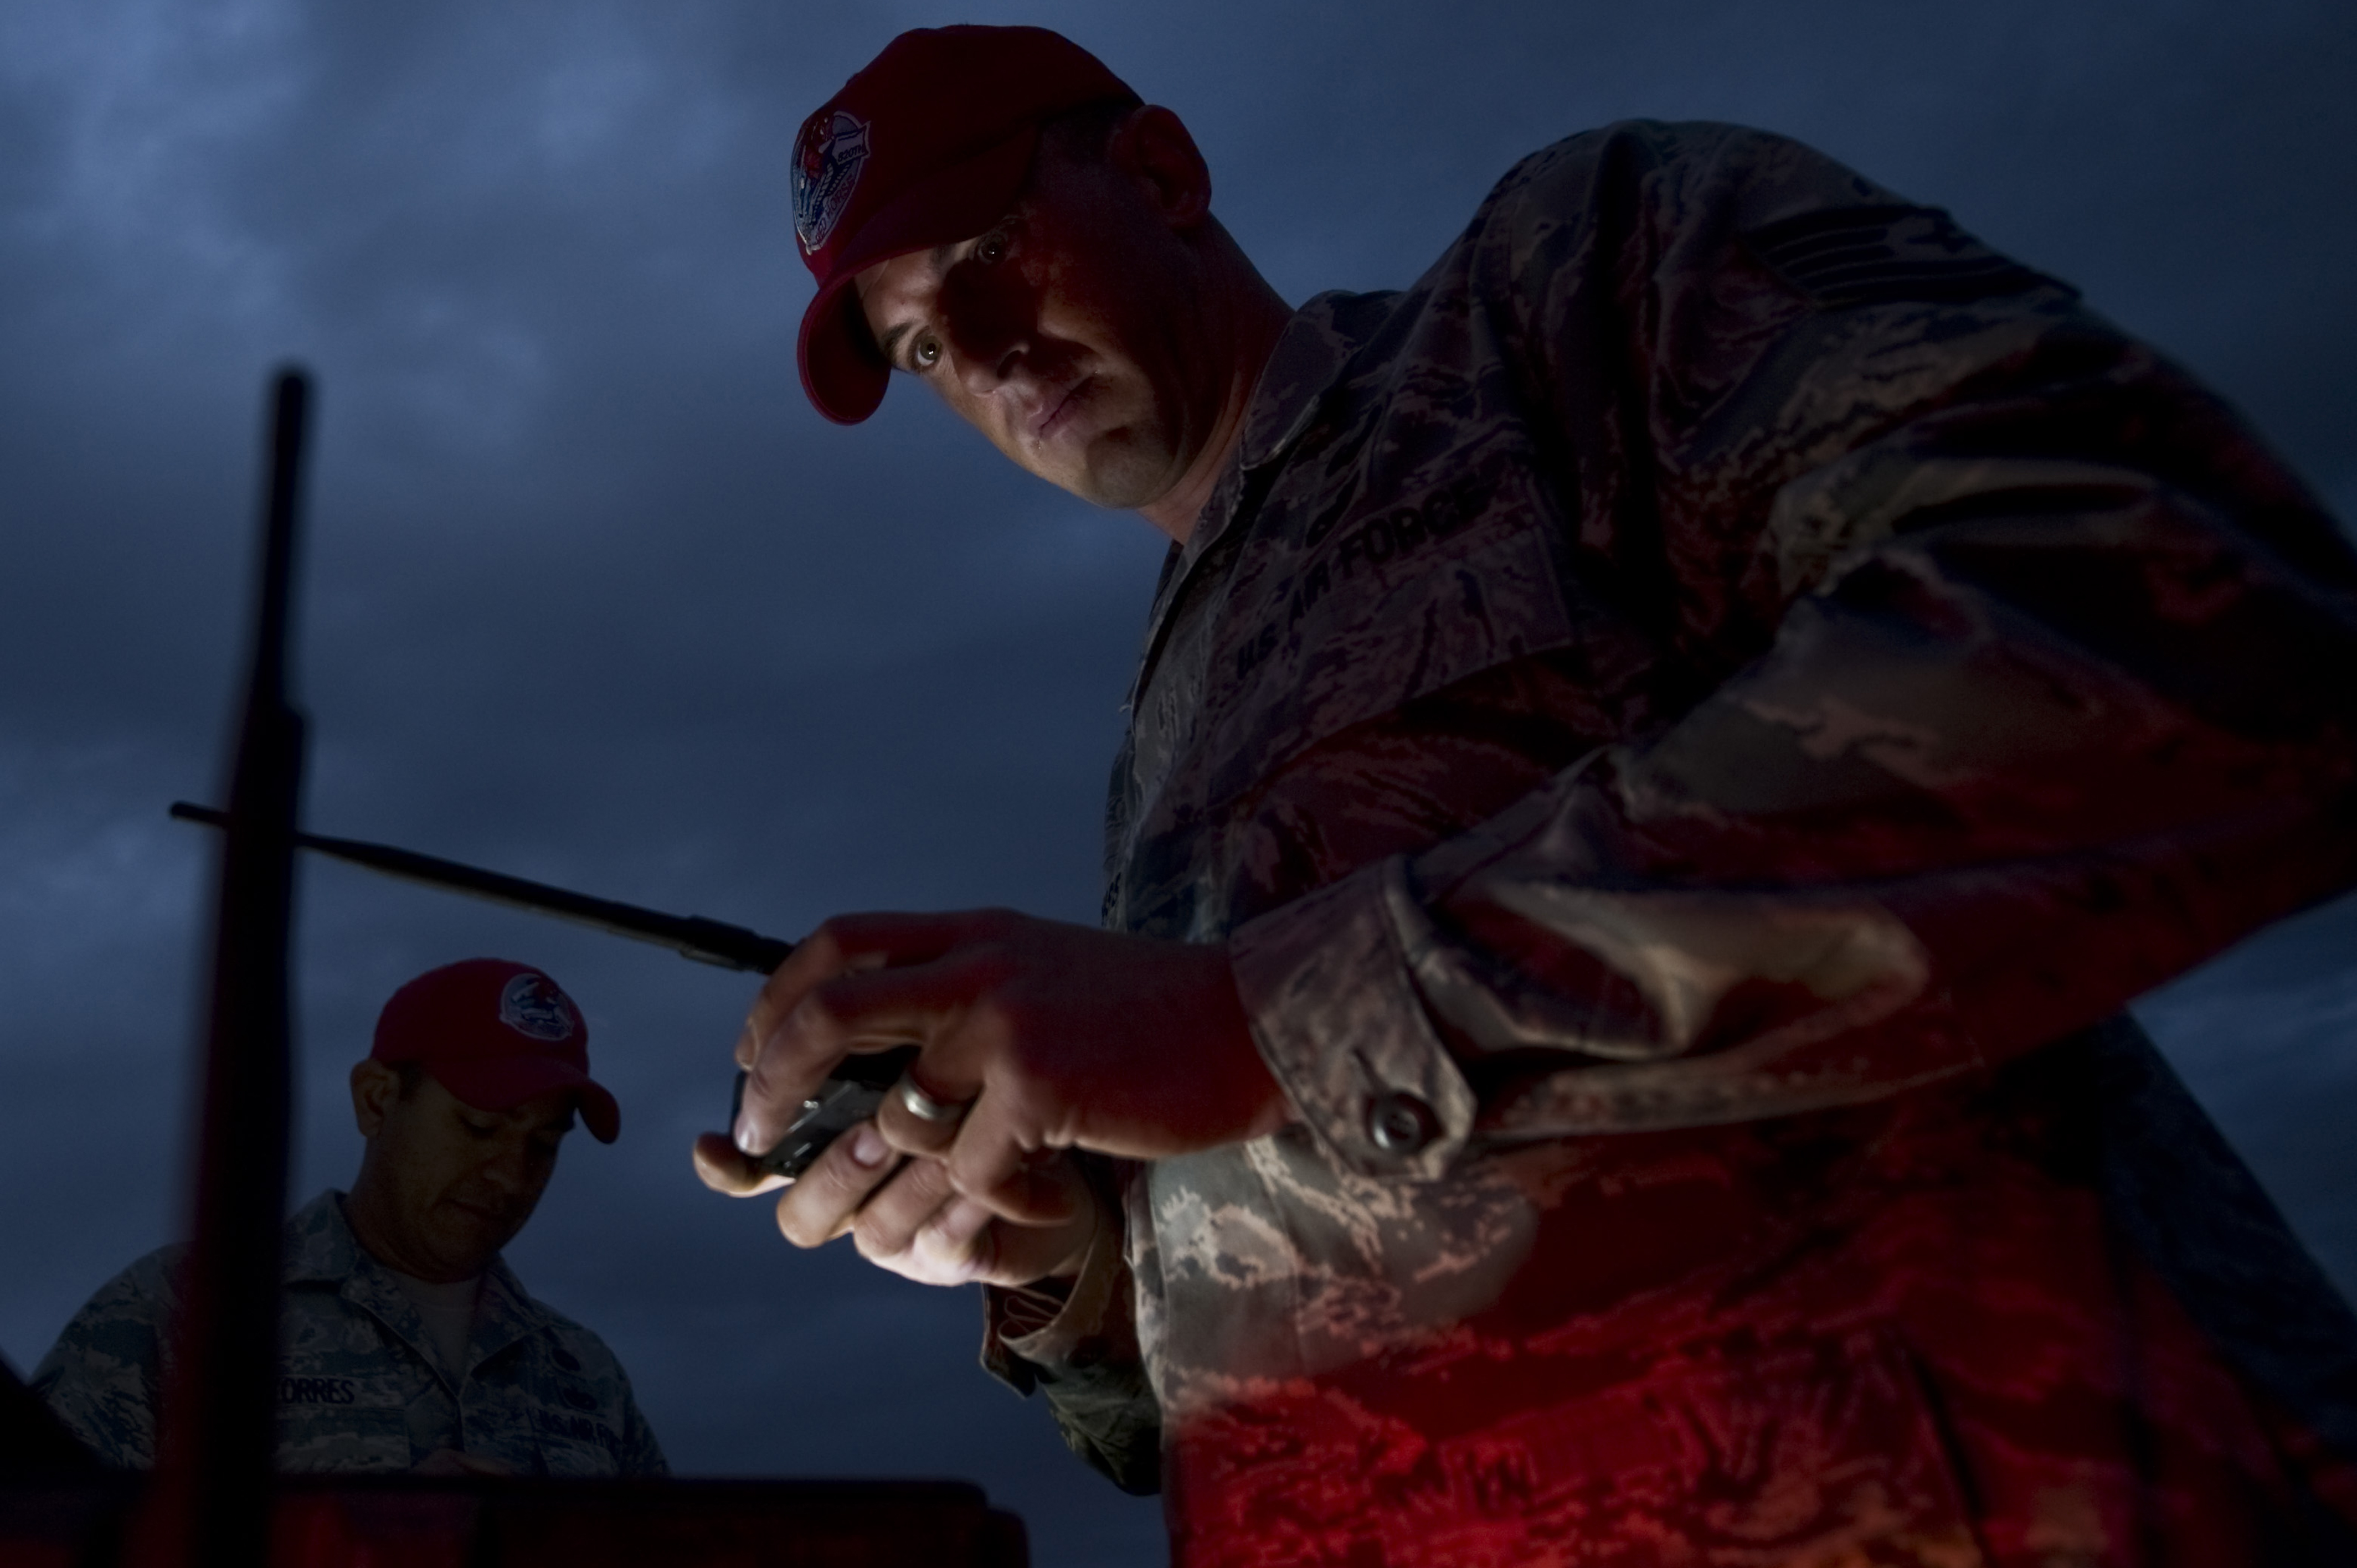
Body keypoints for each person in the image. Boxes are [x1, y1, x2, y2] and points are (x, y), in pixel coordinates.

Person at [697, 24, 2357, 1566]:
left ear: (1158, 173)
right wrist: (1065, 1256)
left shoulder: (1556, 295)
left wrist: (1267, 1020)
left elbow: (2148, 593)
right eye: (917, 341)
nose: (977, 353)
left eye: (987, 253)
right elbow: (1252, 1336)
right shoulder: (1165, 752)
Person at [37, 958, 666, 1477]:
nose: (511, 1173)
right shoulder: (178, 1315)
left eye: (544, 1144)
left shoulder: (586, 1376)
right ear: (377, 1100)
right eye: (479, 1128)